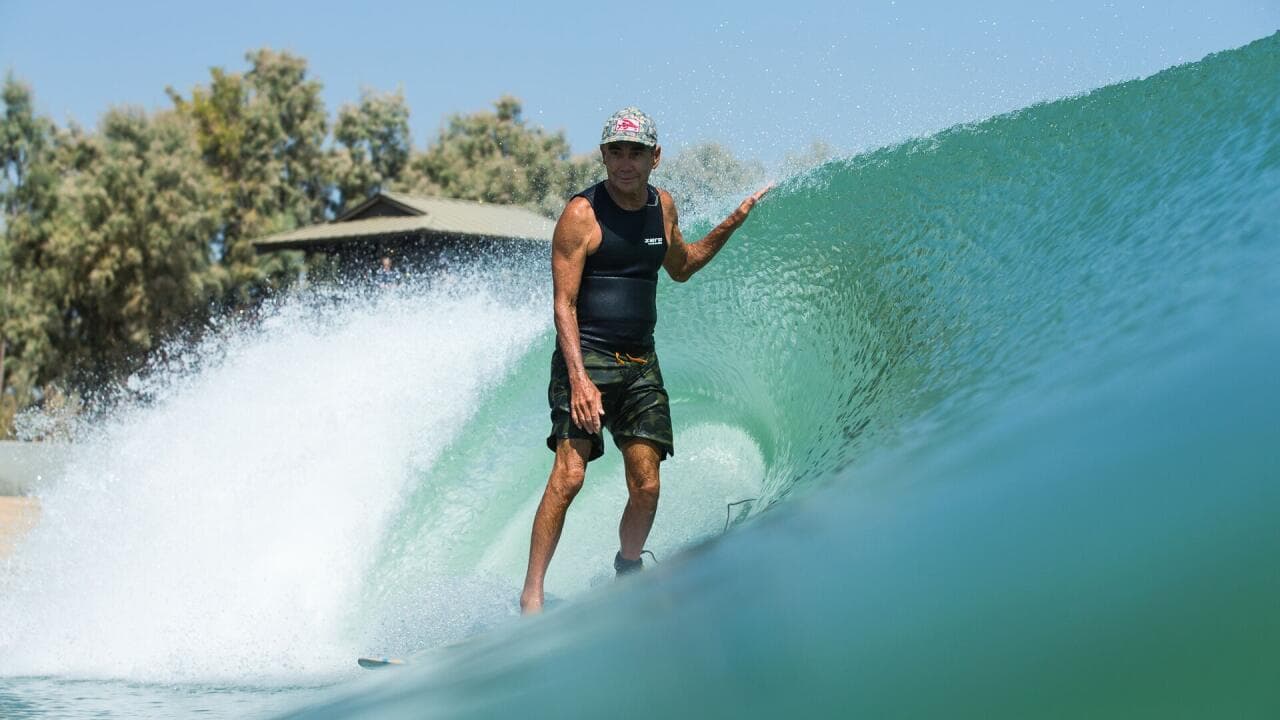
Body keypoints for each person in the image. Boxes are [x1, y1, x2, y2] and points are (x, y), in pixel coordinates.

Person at [520, 107, 771, 614]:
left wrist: (731, 224)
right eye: (616, 151)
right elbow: (562, 306)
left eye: (636, 151)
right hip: (586, 357)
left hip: (641, 362)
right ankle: (532, 597)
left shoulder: (663, 207)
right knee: (569, 475)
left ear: (655, 157)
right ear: (604, 155)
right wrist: (580, 380)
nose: (625, 162)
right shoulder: (581, 215)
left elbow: (682, 267)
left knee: (648, 483)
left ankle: (627, 572)